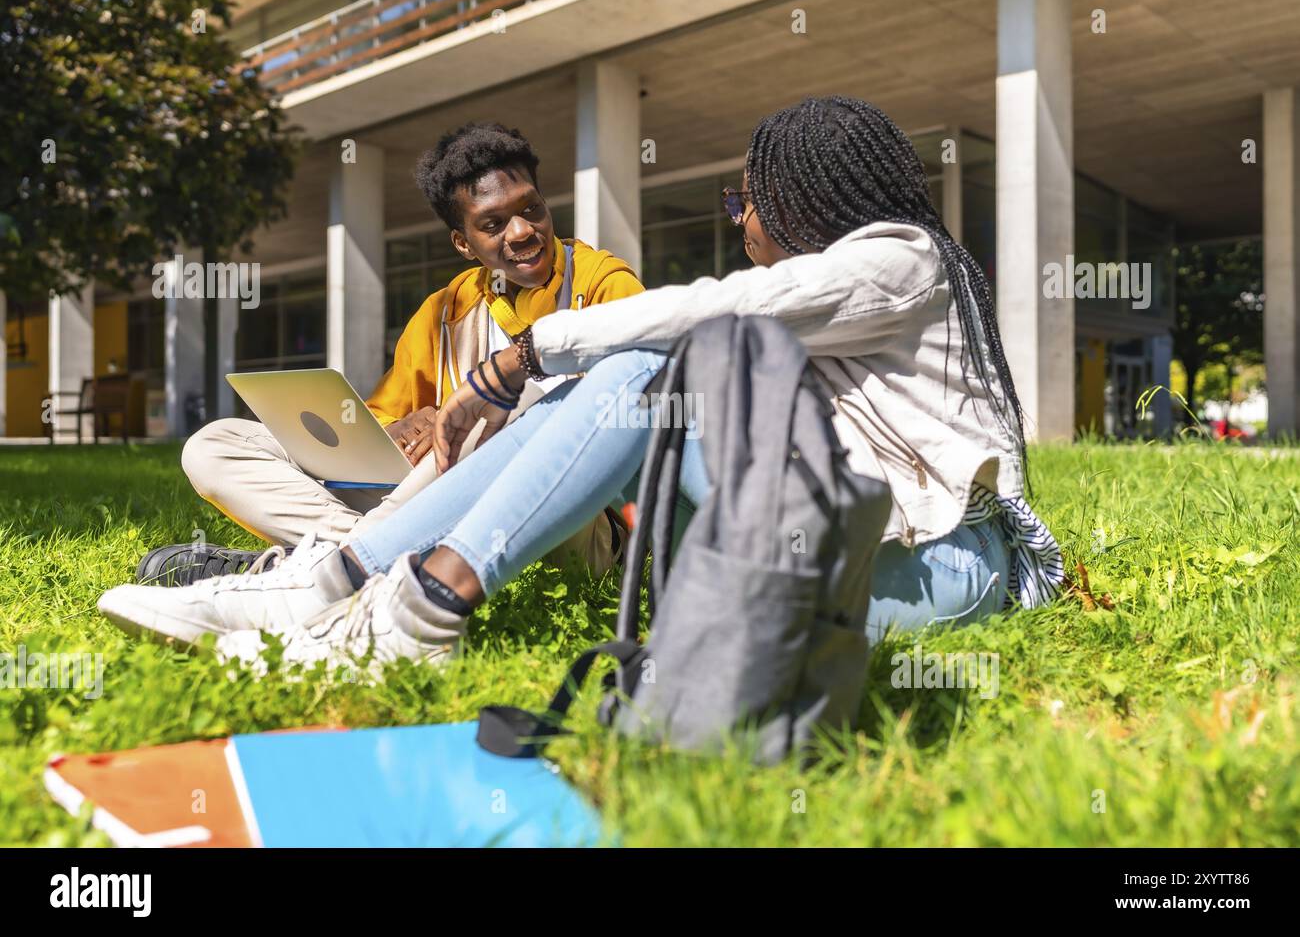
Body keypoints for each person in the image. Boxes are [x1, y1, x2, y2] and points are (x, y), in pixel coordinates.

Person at [100, 96, 1063, 669]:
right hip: (794, 540)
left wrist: (516, 359)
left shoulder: (900, 260)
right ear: (461, 241)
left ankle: (402, 601)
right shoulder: (446, 305)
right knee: (641, 376)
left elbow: (702, 313)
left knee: (644, 369)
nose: (741, 221)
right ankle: (342, 580)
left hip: (934, 566)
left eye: (749, 202)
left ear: (809, 205)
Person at [135, 123, 643, 588]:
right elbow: (376, 428)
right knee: (214, 445)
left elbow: (630, 415)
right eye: (493, 224)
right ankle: (368, 563)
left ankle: (321, 569)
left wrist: (456, 417)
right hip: (438, 511)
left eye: (531, 208)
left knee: (498, 413)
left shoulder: (602, 283)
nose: (522, 231)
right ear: (463, 243)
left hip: (576, 527)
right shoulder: (443, 311)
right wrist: (399, 430)